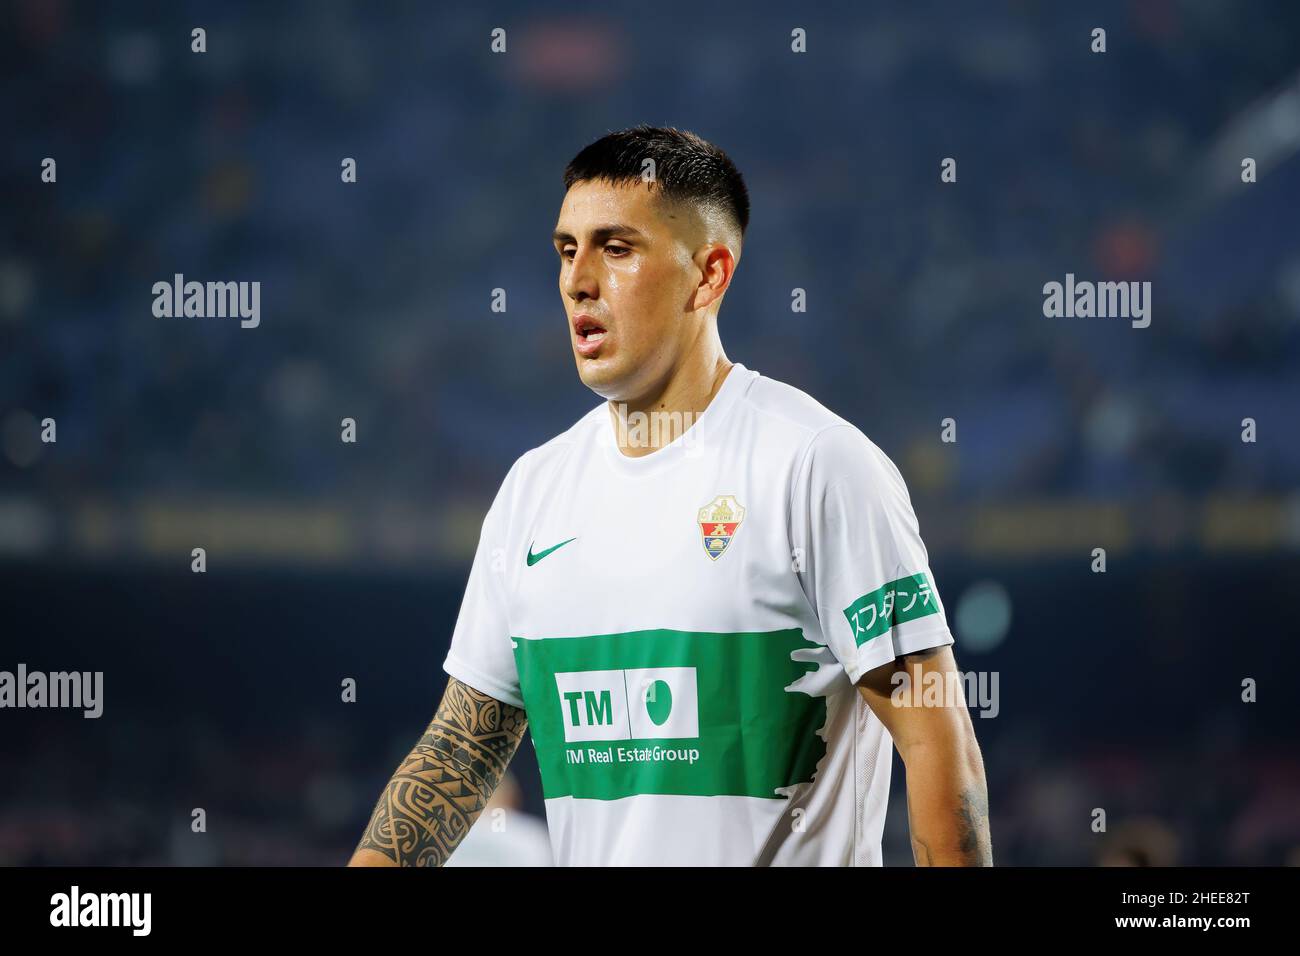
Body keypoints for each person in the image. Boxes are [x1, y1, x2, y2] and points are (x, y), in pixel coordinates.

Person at [349, 125, 991, 866]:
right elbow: (460, 754)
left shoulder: (817, 466)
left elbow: (940, 749)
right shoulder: (533, 490)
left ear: (709, 275)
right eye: (566, 249)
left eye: (616, 249)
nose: (577, 280)